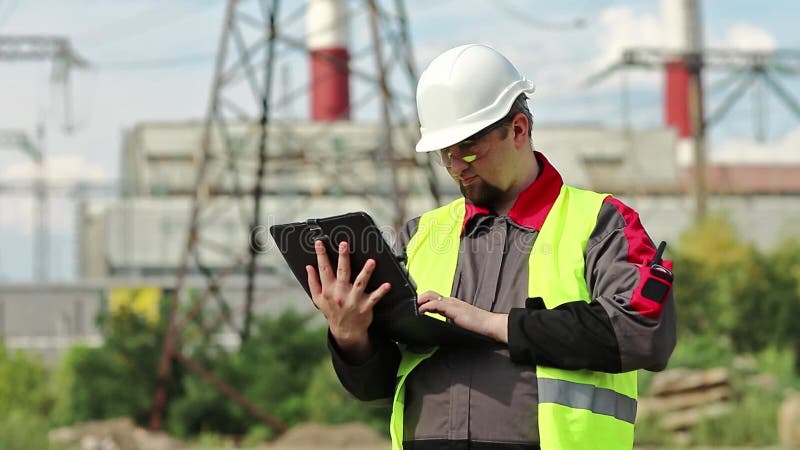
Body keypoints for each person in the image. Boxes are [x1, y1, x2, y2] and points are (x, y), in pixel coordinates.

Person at [305, 44, 676, 450]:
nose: (457, 166)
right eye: (444, 155)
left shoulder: (601, 223)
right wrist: (350, 336)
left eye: (468, 149)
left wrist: (495, 323)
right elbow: (375, 386)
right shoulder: (420, 235)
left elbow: (646, 330)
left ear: (518, 129)